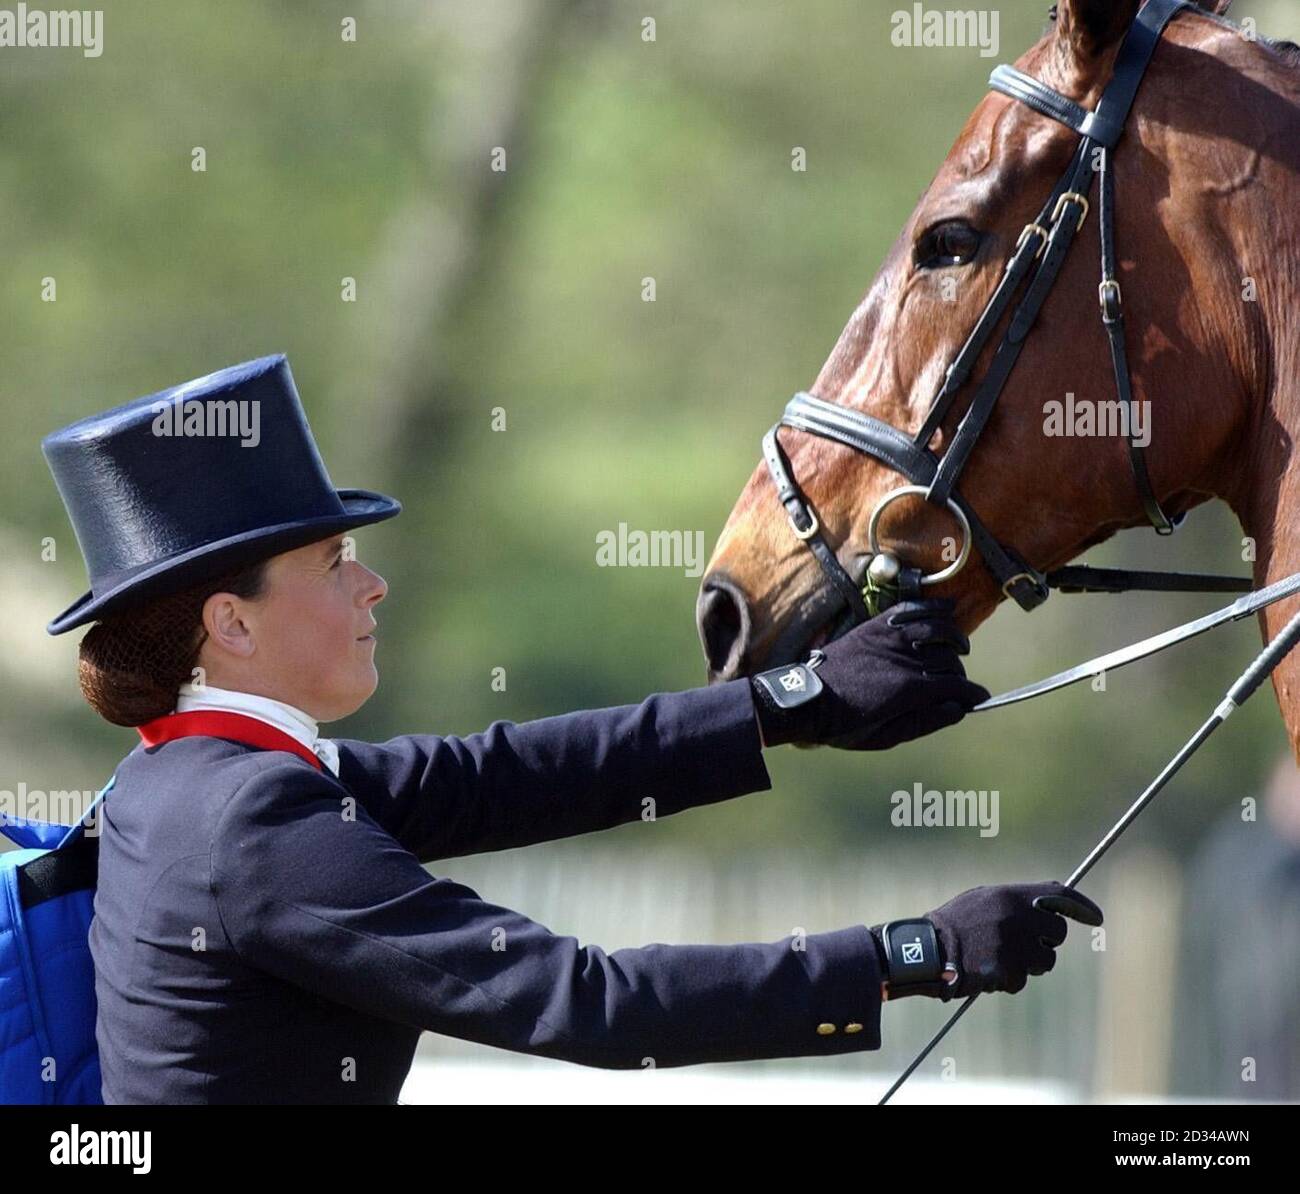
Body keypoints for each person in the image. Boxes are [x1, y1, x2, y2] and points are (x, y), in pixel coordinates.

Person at [42, 354, 1102, 1104]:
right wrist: (910, 953)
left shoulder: (185, 779)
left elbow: (503, 775)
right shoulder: (253, 821)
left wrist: (797, 699)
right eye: (333, 566)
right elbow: (586, 1003)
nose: (373, 587)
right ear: (229, 622)